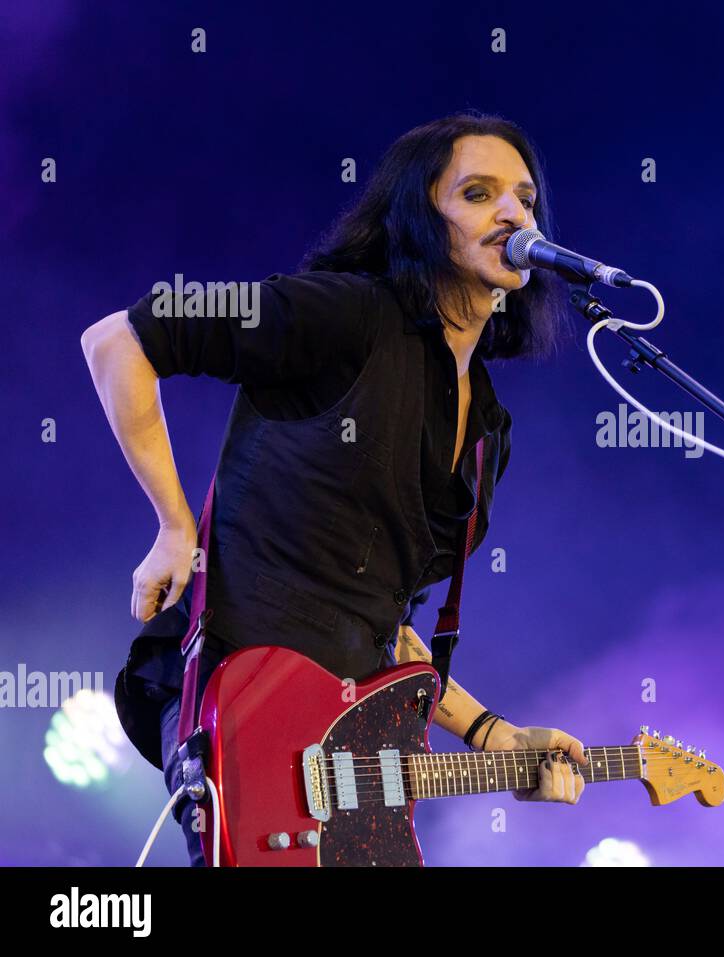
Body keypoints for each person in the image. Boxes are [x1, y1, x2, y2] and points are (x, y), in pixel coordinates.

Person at [81, 113, 589, 866]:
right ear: (419, 218)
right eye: (479, 194)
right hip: (245, 689)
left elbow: (382, 619)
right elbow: (119, 339)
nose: (513, 213)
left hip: (345, 742)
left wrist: (495, 735)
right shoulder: (344, 313)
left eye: (524, 197)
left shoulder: (487, 428)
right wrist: (173, 527)